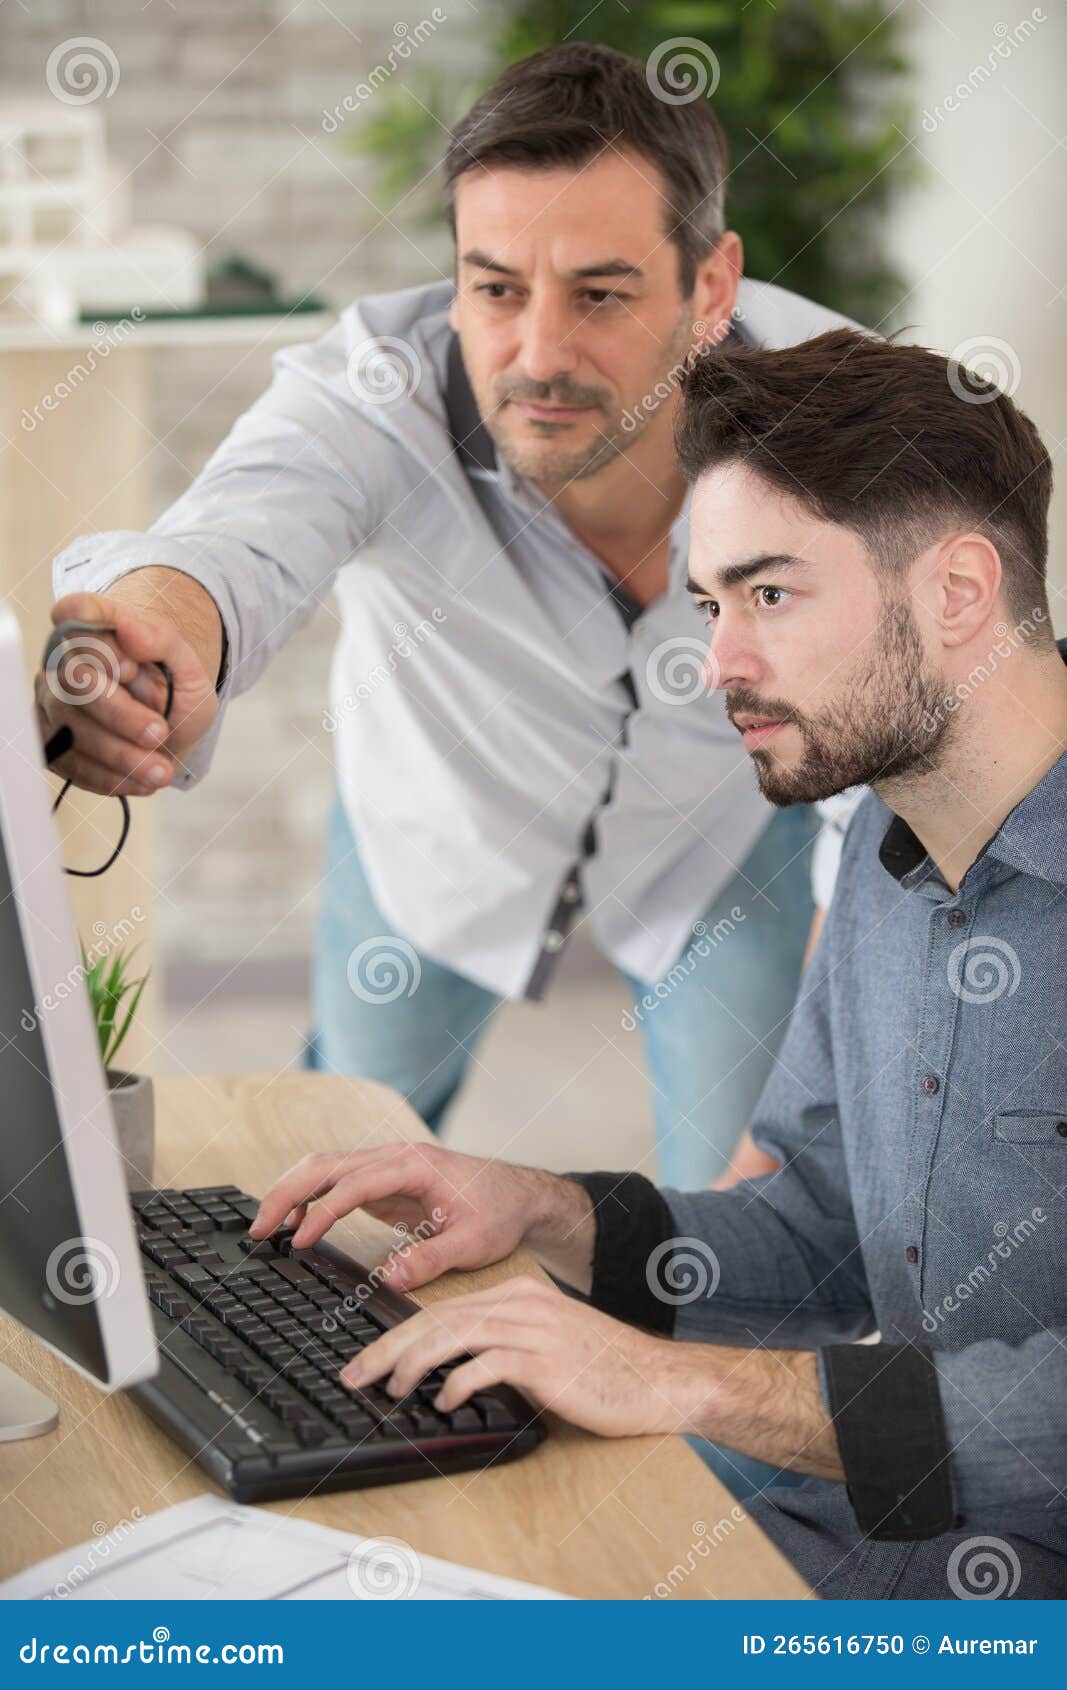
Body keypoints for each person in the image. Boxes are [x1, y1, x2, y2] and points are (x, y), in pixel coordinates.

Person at [250, 328, 1067, 1599]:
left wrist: (684, 1377)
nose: (716, 662)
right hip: (886, 1519)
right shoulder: (878, 847)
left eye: (770, 594)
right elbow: (820, 1230)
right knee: (382, 1545)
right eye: (708, 604)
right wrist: (546, 1212)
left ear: (955, 592)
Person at [36, 43, 862, 1188]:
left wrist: (804, 1133)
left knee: (743, 1235)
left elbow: (893, 791)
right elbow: (229, 539)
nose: (537, 354)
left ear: (710, 287)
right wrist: (150, 626)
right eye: (495, 288)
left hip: (711, 848)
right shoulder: (377, 393)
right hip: (434, 830)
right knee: (331, 1198)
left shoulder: (848, 437)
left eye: (600, 294)